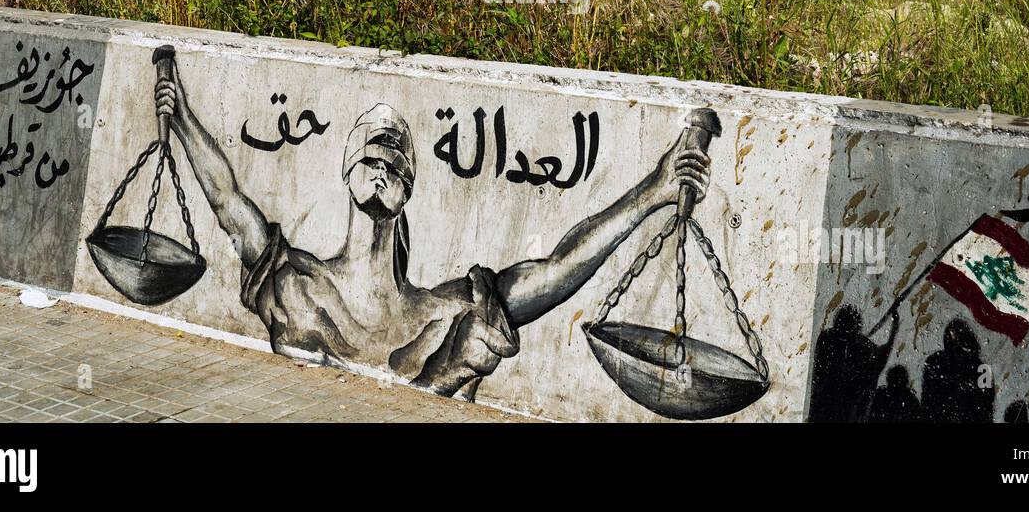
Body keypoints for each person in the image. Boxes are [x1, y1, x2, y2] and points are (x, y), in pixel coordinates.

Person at [154, 59, 712, 401]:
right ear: (348, 170)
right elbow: (227, 200)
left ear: (409, 189)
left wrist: (655, 190)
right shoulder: (294, 283)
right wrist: (178, 115)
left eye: (397, 160)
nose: (382, 163)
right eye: (371, 153)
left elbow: (556, 269)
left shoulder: (449, 313)